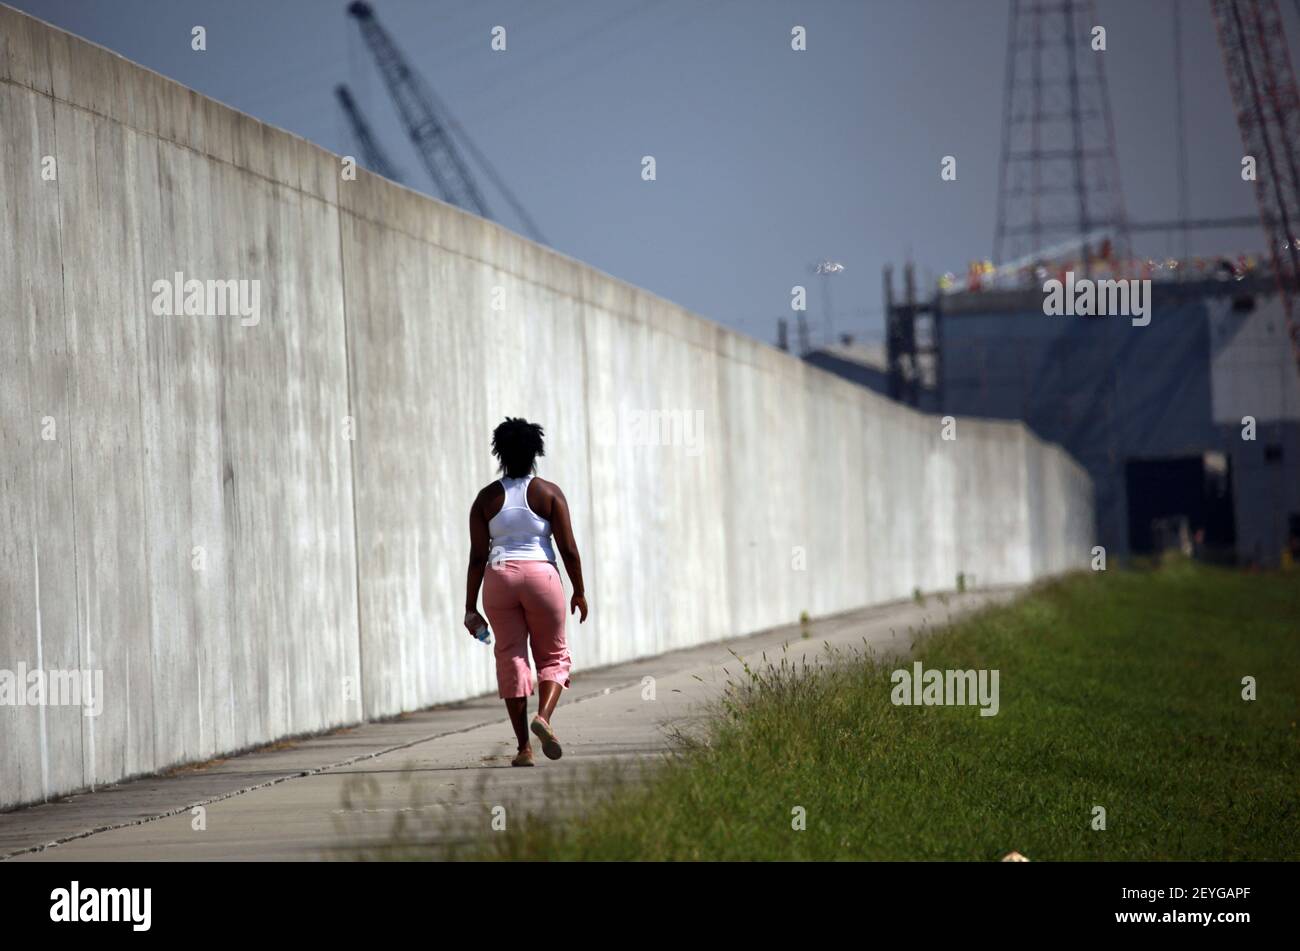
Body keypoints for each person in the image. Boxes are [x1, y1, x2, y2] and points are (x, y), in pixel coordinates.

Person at [464, 417, 588, 767]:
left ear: (498, 451)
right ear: (537, 450)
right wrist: (579, 590)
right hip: (541, 577)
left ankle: (523, 749)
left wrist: (470, 606)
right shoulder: (548, 492)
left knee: (512, 657)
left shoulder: (486, 498)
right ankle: (544, 718)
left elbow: (476, 556)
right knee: (553, 656)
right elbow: (568, 549)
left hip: (499, 578)